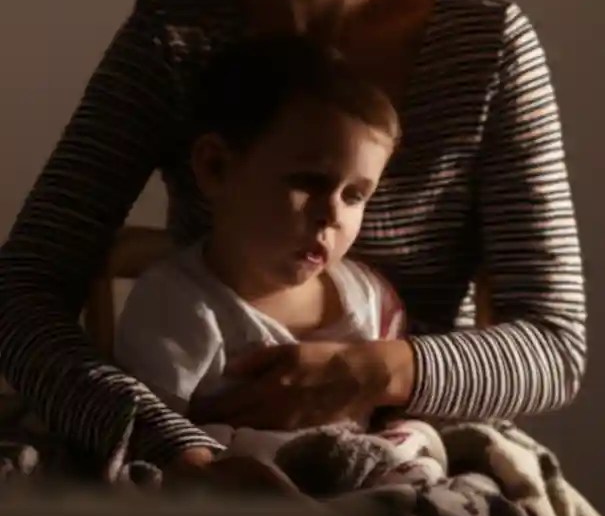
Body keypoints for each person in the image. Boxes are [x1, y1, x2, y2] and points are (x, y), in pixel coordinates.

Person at [0, 0, 586, 489]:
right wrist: (180, 451)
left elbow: (554, 345)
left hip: (408, 470)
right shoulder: (174, 44)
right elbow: (21, 293)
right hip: (204, 455)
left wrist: (372, 372)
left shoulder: (487, 49)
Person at [114, 35, 407, 459]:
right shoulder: (178, 305)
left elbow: (388, 418)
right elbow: (151, 437)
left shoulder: (369, 298)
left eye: (355, 195)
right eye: (308, 182)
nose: (332, 214)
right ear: (216, 168)